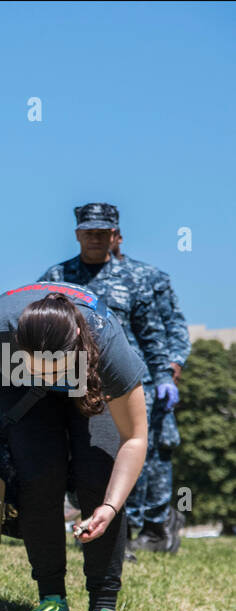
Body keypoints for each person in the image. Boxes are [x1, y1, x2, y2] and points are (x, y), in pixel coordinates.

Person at [0, 283, 148, 611]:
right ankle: (51, 599)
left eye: (53, 368)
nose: (46, 375)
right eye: (37, 366)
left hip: (87, 381)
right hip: (18, 385)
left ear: (76, 341)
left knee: (99, 478)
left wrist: (109, 507)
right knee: (37, 476)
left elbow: (134, 439)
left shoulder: (107, 348)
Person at [37, 203, 172, 553]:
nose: (95, 237)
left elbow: (151, 334)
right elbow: (37, 325)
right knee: (83, 460)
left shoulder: (134, 279)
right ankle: (95, 527)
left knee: (122, 457)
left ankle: (119, 539)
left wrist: (163, 377)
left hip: (123, 384)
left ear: (114, 235)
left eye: (102, 231)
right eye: (88, 230)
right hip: (74, 383)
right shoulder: (56, 277)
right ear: (77, 233)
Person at [110, 229, 190, 552]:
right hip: (107, 382)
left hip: (150, 379)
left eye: (107, 233)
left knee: (158, 450)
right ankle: (120, 527)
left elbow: (174, 326)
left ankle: (158, 528)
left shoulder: (150, 276)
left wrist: (170, 371)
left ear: (118, 235)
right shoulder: (70, 274)